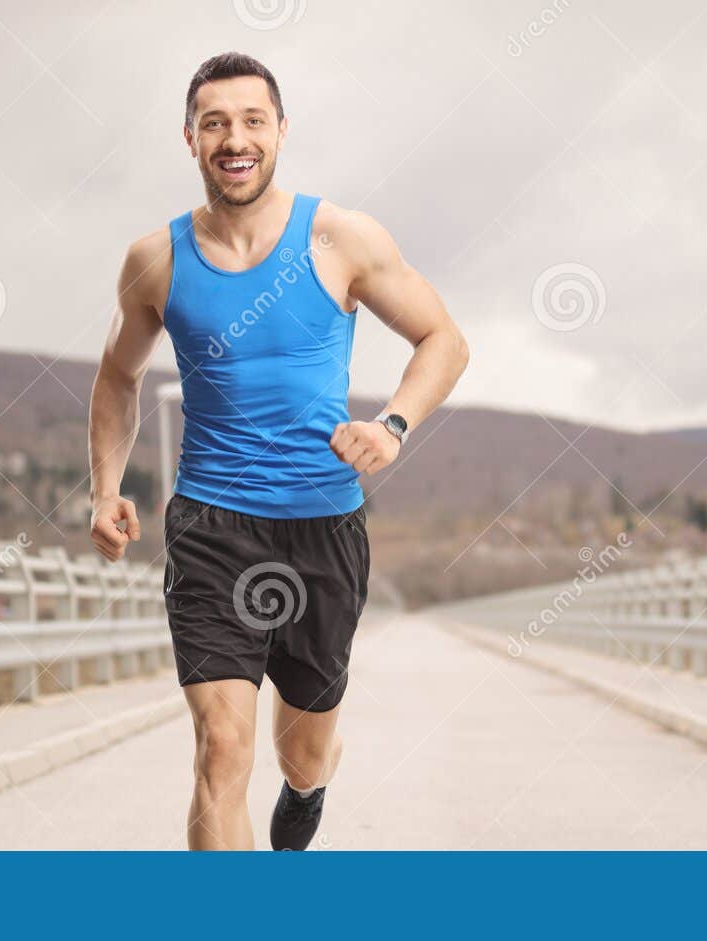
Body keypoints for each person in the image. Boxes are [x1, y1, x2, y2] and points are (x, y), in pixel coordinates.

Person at [86, 51, 469, 851]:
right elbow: (118, 378)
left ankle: (310, 784)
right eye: (215, 122)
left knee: (301, 748)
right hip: (211, 528)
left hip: (322, 526)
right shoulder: (154, 260)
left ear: (280, 131)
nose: (235, 138)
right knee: (221, 748)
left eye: (253, 120)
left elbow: (444, 340)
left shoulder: (342, 238)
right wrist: (105, 488)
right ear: (189, 138)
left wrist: (391, 425)